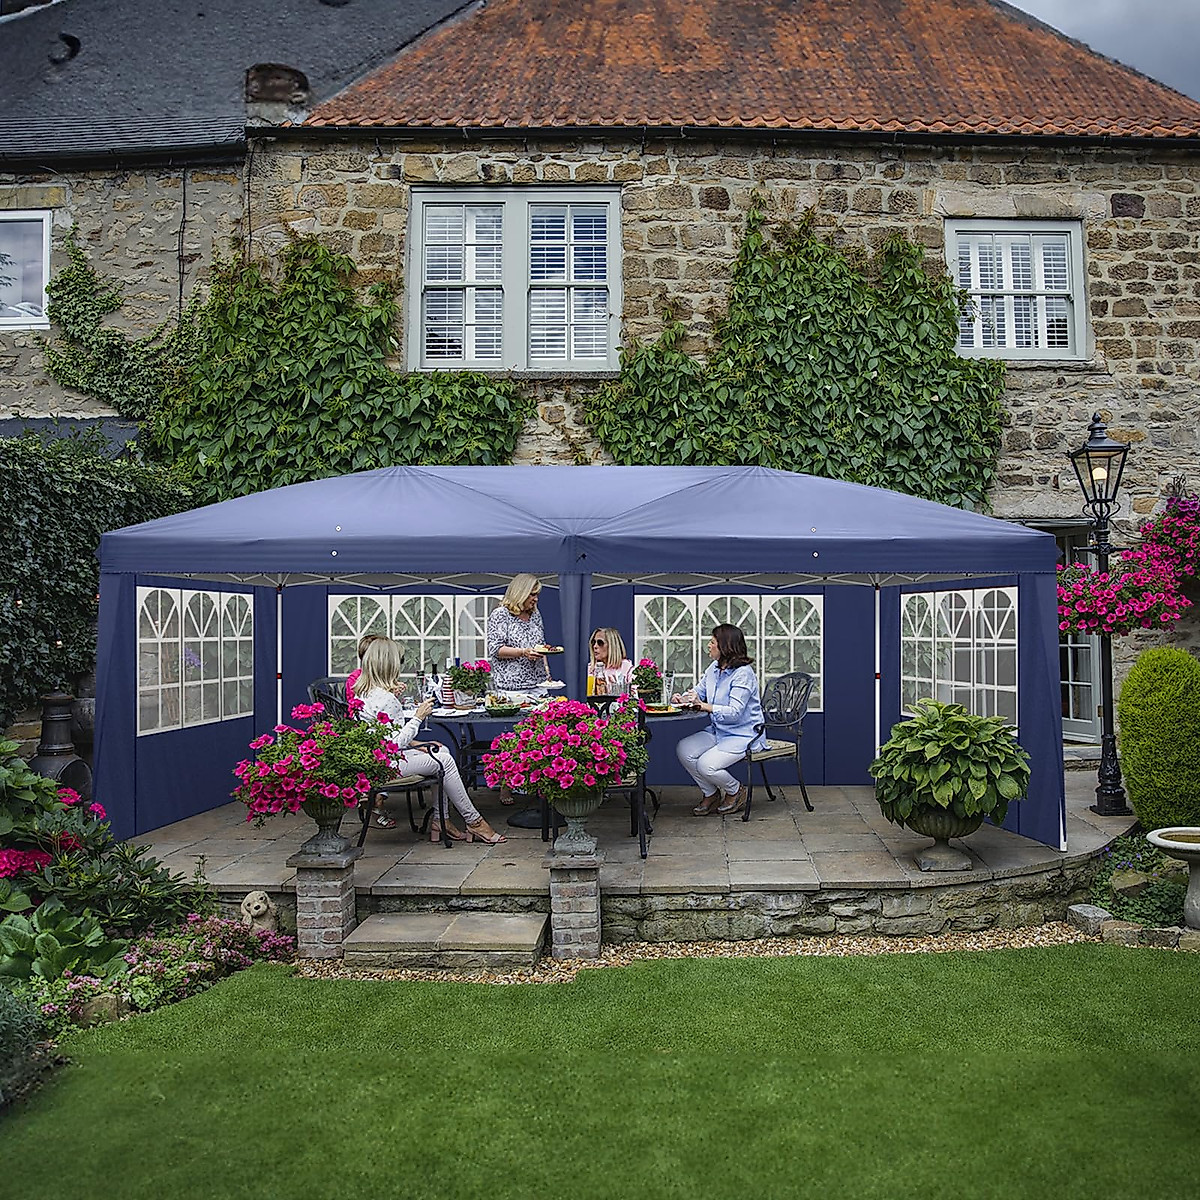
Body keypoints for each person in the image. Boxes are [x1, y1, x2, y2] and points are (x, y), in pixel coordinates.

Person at [354, 637, 506, 843]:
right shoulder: (386, 699)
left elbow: (383, 738)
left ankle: (441, 820)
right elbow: (394, 744)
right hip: (387, 765)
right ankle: (474, 821)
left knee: (441, 751)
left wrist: (420, 746)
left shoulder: (364, 693)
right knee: (445, 761)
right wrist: (419, 717)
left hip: (374, 761)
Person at [672, 623, 767, 817]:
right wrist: (683, 698)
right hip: (719, 730)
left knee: (705, 765)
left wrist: (704, 706)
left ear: (725, 646)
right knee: (684, 749)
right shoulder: (714, 668)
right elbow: (699, 691)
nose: (709, 645)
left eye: (712, 642)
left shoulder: (743, 674)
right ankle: (711, 794)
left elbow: (735, 712)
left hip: (744, 735)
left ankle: (736, 790)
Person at [487, 573, 551, 691]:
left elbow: (541, 646)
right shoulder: (501, 614)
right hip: (513, 688)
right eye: (532, 594)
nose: (536, 599)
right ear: (521, 593)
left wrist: (547, 671)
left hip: (539, 686)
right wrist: (523, 652)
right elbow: (496, 649)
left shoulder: (535, 615)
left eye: (537, 595)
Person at [588, 627, 634, 694]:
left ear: (612, 645)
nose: (595, 646)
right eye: (593, 642)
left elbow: (635, 692)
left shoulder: (626, 667)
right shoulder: (590, 668)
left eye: (600, 643)